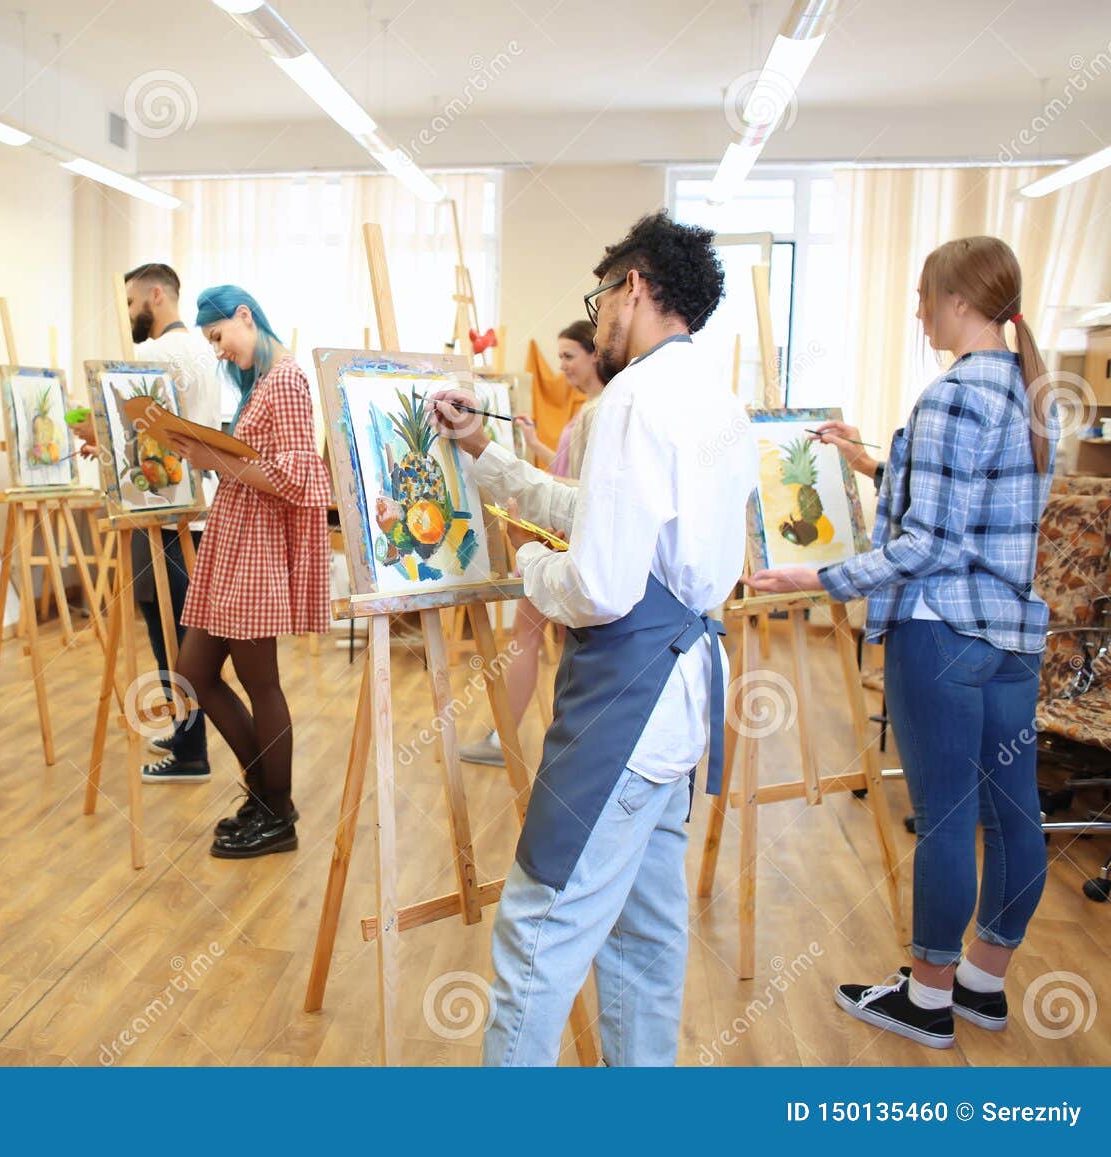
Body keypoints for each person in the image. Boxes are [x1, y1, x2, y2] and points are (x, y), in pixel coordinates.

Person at [432, 211, 755, 1066]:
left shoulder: (632, 400)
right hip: (682, 705)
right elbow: (613, 520)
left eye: (602, 294)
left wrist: (523, 573)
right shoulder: (715, 397)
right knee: (646, 939)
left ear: (634, 287)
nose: (600, 315)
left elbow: (601, 583)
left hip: (627, 703)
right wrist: (489, 461)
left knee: (539, 933)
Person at [747, 236, 1055, 1050]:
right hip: (1009, 637)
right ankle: (982, 983)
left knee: (948, 819)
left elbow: (932, 546)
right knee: (1013, 812)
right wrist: (868, 461)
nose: (918, 310)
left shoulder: (954, 393)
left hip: (943, 632)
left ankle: (925, 996)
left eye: (924, 295)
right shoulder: (1030, 392)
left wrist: (820, 580)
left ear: (958, 299)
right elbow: (967, 508)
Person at [167, 285, 330, 858]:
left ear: (245, 316)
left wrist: (215, 459)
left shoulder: (285, 379)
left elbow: (293, 479)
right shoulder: (261, 380)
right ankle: (263, 795)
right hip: (236, 541)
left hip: (256, 548)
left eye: (217, 336)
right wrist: (210, 455)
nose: (215, 350)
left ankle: (277, 812)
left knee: (261, 682)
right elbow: (258, 468)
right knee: (195, 671)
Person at [461, 319, 605, 767]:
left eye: (569, 356)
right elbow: (566, 476)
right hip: (558, 536)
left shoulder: (597, 413)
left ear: (593, 354)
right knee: (535, 639)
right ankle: (514, 734)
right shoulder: (591, 409)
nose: (562, 367)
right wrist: (529, 445)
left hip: (557, 540)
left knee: (525, 638)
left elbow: (578, 490)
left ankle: (502, 738)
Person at [121, 262, 222, 784]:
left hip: (159, 511)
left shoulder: (151, 355)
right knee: (185, 630)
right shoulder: (206, 351)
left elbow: (136, 434)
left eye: (134, 301)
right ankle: (187, 734)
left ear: (156, 295)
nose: (131, 313)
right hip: (197, 510)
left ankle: (190, 753)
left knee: (167, 635)